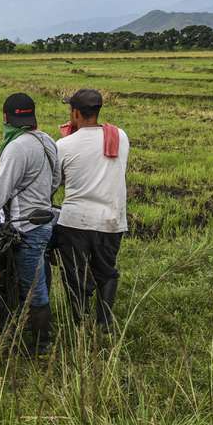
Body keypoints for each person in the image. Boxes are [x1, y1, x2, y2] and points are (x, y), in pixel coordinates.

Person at [0, 93, 60, 355]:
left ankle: (42, 344)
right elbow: (56, 181)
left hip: (26, 228)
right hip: (41, 221)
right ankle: (9, 323)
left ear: (5, 118)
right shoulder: (47, 141)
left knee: (33, 287)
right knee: (16, 277)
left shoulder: (17, 147)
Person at [55, 89, 129, 333]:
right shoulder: (119, 136)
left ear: (75, 113)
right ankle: (104, 324)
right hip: (111, 219)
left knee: (75, 275)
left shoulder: (63, 145)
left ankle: (79, 323)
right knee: (106, 272)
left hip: (75, 220)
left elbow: (57, 182)